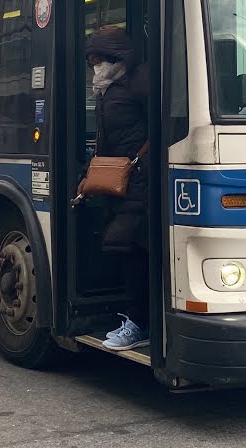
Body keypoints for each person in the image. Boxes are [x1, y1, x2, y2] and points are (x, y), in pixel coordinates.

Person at [84, 25, 151, 351]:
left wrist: (139, 166)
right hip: (120, 184)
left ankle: (138, 324)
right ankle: (137, 318)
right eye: (92, 61)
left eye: (100, 59)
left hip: (139, 181)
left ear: (116, 56)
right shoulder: (107, 90)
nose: (96, 66)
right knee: (129, 251)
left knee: (128, 248)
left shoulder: (139, 82)